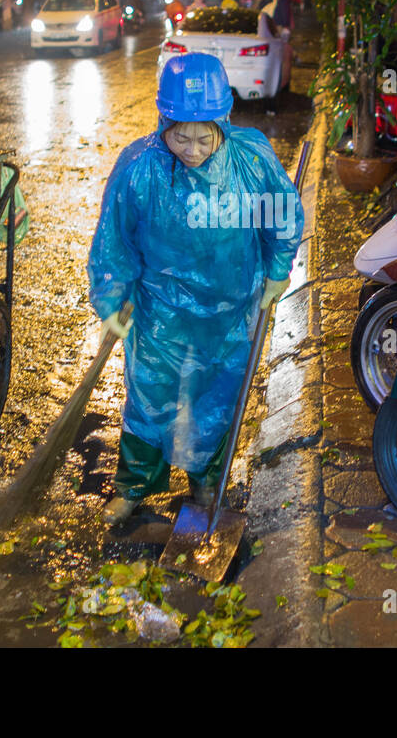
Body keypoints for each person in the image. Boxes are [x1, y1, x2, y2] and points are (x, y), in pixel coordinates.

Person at [87, 53, 304, 526]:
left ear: (223, 121)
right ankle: (133, 487)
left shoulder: (249, 158)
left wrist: (278, 269)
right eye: (179, 134)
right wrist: (111, 297)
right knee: (150, 394)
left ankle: (206, 480)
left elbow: (281, 215)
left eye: (204, 136)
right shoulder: (140, 166)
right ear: (163, 121)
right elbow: (115, 238)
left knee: (217, 393)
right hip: (159, 308)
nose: (192, 148)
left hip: (229, 308)